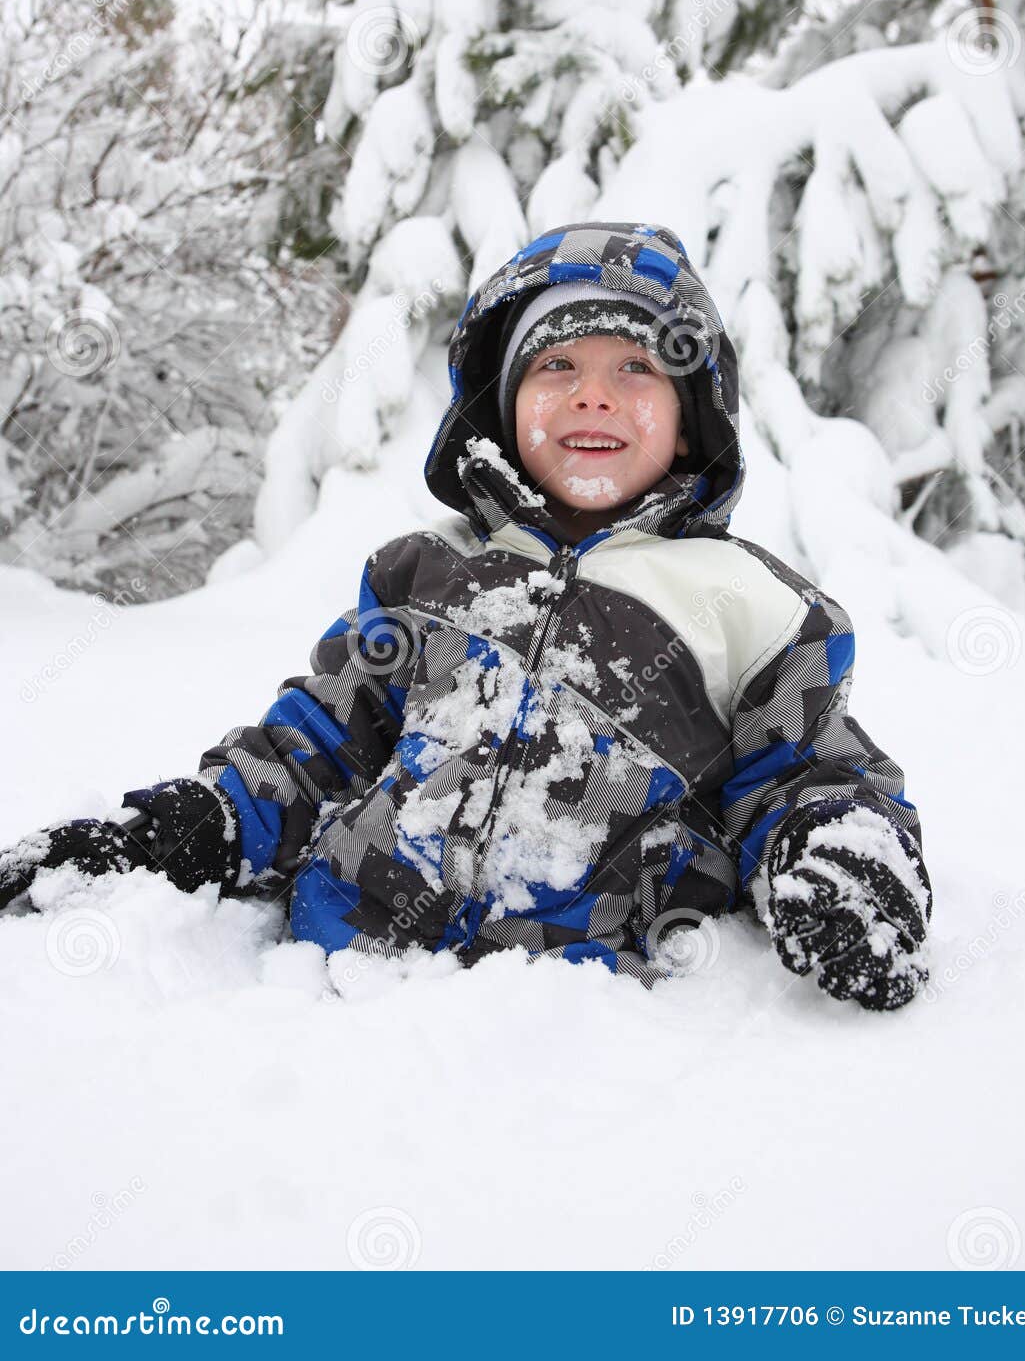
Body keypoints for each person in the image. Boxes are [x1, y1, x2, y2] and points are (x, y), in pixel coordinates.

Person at [0, 222, 932, 1008]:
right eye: (556, 364)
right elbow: (317, 746)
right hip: (334, 1002)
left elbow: (807, 770)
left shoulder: (751, 606)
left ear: (691, 421)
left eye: (636, 368)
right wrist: (181, 827)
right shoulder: (427, 576)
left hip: (579, 1032)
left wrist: (841, 856)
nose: (592, 392)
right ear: (503, 406)